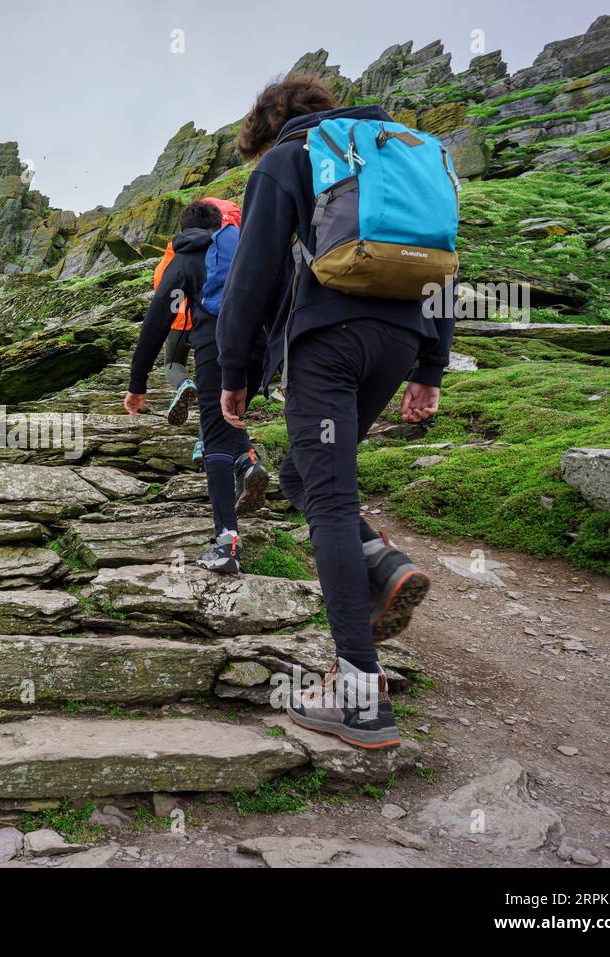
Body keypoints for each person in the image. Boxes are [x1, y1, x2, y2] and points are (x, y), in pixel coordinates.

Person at [216, 77, 455, 749]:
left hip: (330, 342)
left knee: (325, 495)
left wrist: (234, 371)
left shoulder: (287, 157)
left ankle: (357, 692)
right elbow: (442, 260)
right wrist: (431, 365)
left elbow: (253, 273)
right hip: (399, 339)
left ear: (268, 127)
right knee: (304, 474)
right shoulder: (402, 150)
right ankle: (380, 560)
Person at [125, 201, 269, 573]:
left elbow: (158, 320)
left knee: (214, 440)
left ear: (183, 229)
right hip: (259, 350)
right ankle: (247, 459)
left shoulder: (185, 259)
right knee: (229, 417)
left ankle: (226, 544)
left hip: (215, 350)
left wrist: (137, 382)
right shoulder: (241, 246)